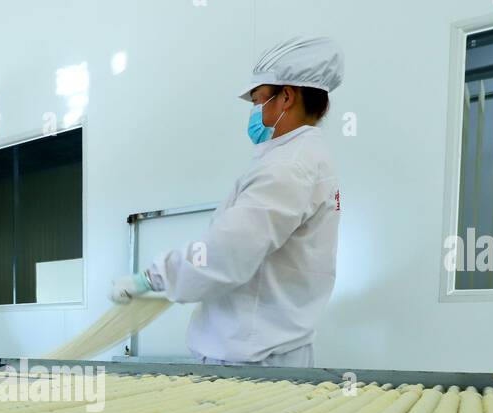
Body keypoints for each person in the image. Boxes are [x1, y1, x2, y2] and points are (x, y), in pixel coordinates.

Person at [111, 37, 344, 368]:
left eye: (259, 99)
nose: (254, 110)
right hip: (270, 350)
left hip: (252, 360)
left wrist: (151, 277)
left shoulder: (287, 169)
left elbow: (225, 252)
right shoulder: (307, 160)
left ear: (287, 97)